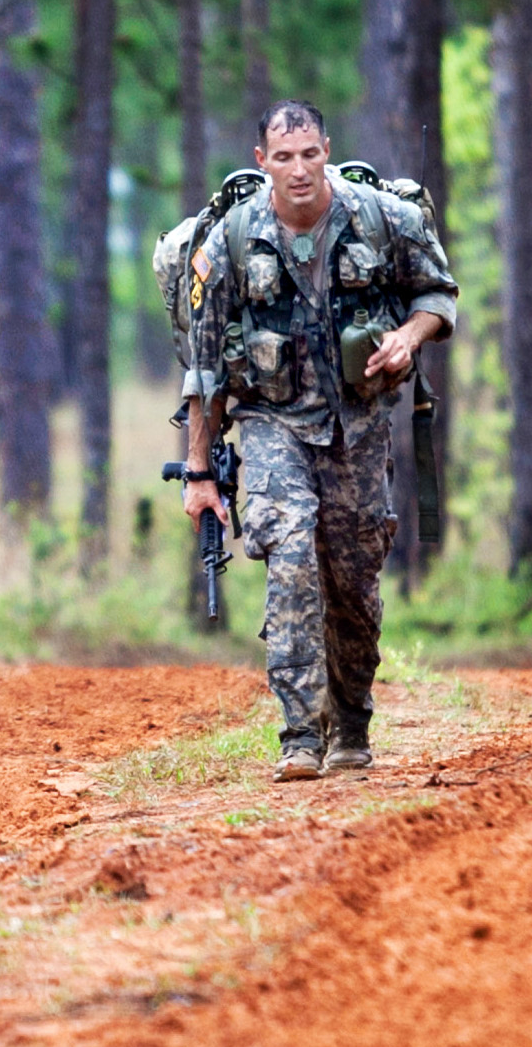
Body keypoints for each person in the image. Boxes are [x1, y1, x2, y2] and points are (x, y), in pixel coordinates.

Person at [178, 101, 458, 781]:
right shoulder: (231, 243)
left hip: (358, 425)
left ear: (327, 149)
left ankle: (351, 720)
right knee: (292, 551)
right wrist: (199, 472)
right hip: (272, 422)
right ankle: (300, 733)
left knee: (354, 579)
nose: (299, 168)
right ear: (261, 160)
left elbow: (439, 297)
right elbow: (205, 368)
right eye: (284, 156)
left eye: (310, 153)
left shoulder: (381, 218)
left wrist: (406, 338)